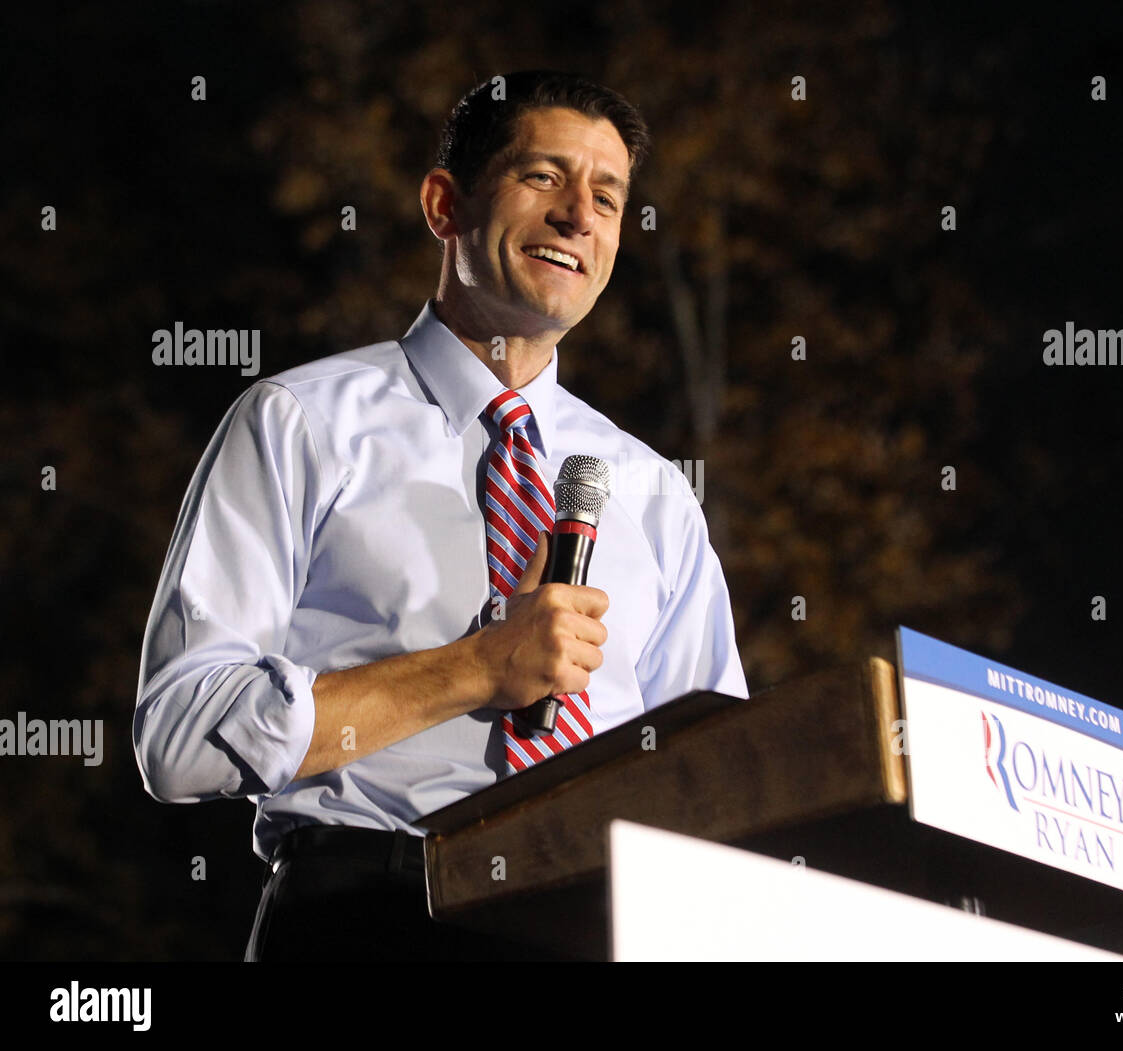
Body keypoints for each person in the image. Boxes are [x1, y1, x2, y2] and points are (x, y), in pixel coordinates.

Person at [133, 70, 747, 961]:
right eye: (544, 177)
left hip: (601, 924)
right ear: (443, 204)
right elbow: (182, 735)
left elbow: (720, 779)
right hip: (366, 917)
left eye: (607, 196)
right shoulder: (299, 423)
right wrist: (477, 667)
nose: (580, 214)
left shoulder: (654, 491)